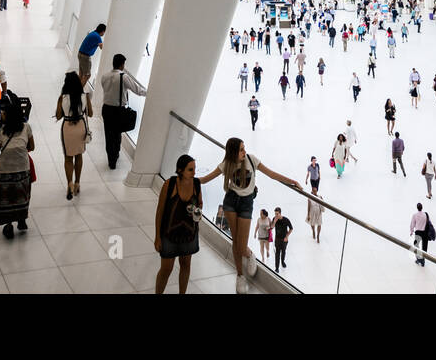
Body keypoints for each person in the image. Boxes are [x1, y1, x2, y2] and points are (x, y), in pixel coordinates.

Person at [209, 138, 299, 293]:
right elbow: (206, 178)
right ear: (233, 152)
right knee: (236, 241)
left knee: (240, 245)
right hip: (230, 202)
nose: (244, 151)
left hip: (246, 204)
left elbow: (271, 174)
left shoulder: (251, 159)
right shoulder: (227, 164)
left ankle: (250, 254)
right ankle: (239, 276)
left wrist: (292, 181)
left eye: (244, 148)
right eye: (241, 149)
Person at [154, 154, 203, 294]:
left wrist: (198, 213)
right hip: (169, 234)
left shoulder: (197, 184)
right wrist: (157, 236)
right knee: (166, 269)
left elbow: (200, 203)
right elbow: (160, 212)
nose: (194, 173)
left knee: (185, 265)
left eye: (194, 169)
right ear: (180, 170)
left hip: (189, 234)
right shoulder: (169, 184)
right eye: (190, 169)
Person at [0, 99, 35, 239]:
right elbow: (31, 147)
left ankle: (8, 226)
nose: (1, 114)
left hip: (4, 172)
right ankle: (22, 220)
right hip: (23, 169)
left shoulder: (1, 131)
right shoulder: (26, 127)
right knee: (22, 195)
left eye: (3, 113)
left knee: (6, 198)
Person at [99, 52, 146, 170]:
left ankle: (111, 158)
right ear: (122, 64)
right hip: (118, 110)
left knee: (109, 135)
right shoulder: (123, 77)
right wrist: (149, 92)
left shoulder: (104, 76)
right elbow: (138, 90)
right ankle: (115, 157)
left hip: (106, 109)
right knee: (117, 133)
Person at [56, 71, 92, 200]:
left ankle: (69, 183)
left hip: (67, 128)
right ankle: (77, 183)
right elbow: (91, 113)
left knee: (68, 157)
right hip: (81, 127)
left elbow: (59, 116)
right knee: (79, 155)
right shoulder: (84, 96)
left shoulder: (63, 98)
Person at [409, 202, 433, 266]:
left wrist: (411, 231)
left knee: (416, 245)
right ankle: (423, 260)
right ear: (422, 208)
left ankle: (419, 259)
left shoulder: (415, 215)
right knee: (424, 247)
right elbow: (429, 223)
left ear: (417, 208)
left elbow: (412, 224)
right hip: (425, 232)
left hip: (418, 232)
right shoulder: (425, 214)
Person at [271, 207, 293, 272]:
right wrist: (274, 222)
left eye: (277, 214)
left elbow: (291, 228)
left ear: (280, 213)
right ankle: (277, 267)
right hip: (277, 239)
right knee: (277, 253)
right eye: (275, 214)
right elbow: (271, 227)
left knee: (283, 251)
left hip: (284, 239)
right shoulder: (274, 219)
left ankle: (283, 262)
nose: (276, 215)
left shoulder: (286, 220)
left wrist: (287, 236)